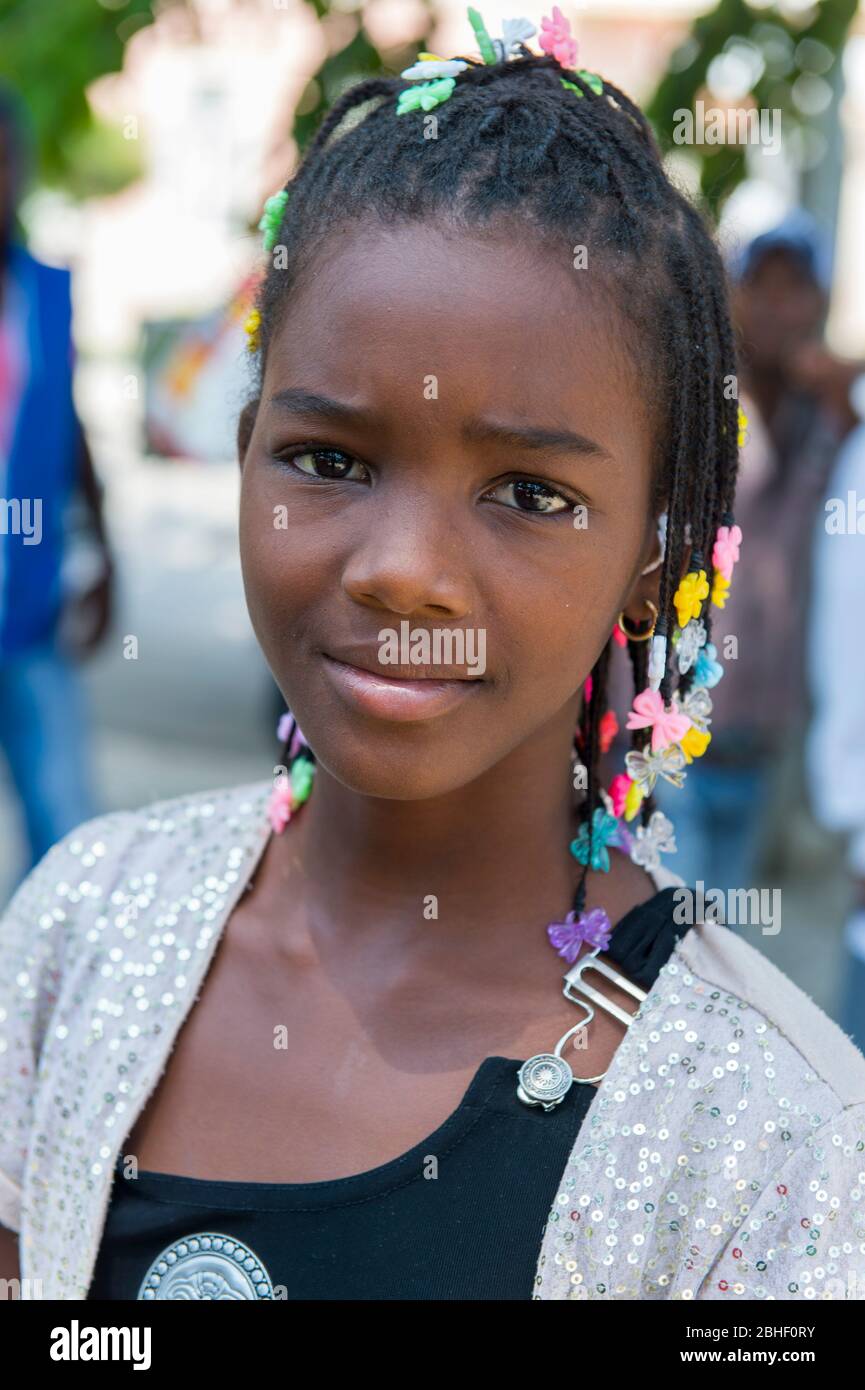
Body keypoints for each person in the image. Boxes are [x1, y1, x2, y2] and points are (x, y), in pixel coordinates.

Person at [1, 9, 865, 1303]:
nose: (401, 566)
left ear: (653, 549)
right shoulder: (79, 932)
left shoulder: (765, 1142)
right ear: (245, 456)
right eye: (330, 460)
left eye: (528, 491)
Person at [650, 213, 842, 893]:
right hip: (680, 723)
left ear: (818, 303)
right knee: (679, 933)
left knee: (721, 934)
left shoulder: (827, 417)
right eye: (762, 286)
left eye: (795, 289)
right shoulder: (707, 402)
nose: (776, 307)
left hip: (761, 734)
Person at [0, 86, 114, 883]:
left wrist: (104, 554)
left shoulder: (44, 288)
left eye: (8, 161)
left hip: (28, 601)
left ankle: (35, 988)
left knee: (66, 827)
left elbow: (67, 424)